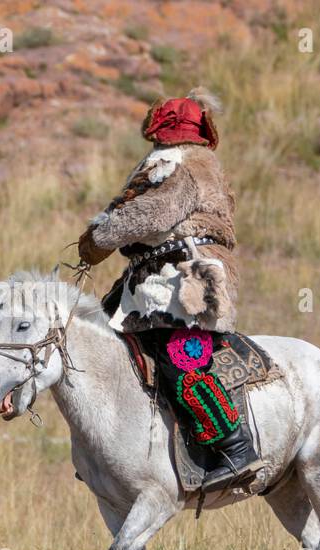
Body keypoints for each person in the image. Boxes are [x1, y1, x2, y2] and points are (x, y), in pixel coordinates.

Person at [77, 88, 265, 494]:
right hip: (150, 280)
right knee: (99, 342)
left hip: (187, 277)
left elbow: (150, 213)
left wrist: (100, 235)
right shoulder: (176, 161)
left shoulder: (183, 164)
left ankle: (233, 447)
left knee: (182, 359)